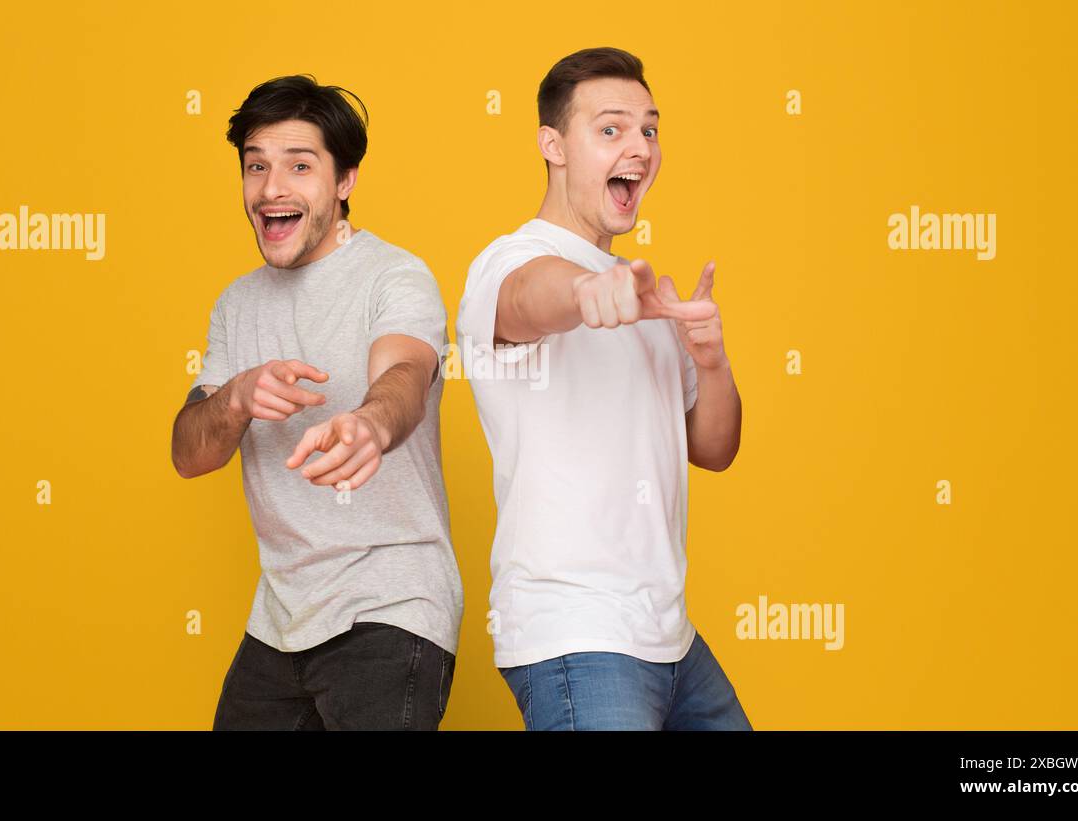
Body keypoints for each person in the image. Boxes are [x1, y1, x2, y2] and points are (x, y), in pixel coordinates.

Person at [456, 47, 751, 730]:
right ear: (552, 145)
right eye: (611, 129)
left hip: (670, 639)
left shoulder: (646, 297)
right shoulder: (510, 261)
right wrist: (588, 290)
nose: (640, 148)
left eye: (649, 129)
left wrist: (710, 360)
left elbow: (713, 448)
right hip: (576, 635)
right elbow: (528, 300)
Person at [172, 75, 461, 730]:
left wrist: (370, 423)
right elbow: (189, 452)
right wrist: (238, 396)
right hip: (280, 622)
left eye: (299, 166)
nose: (271, 188)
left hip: (389, 607)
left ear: (344, 181)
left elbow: (406, 373)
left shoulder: (395, 276)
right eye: (256, 167)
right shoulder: (235, 304)